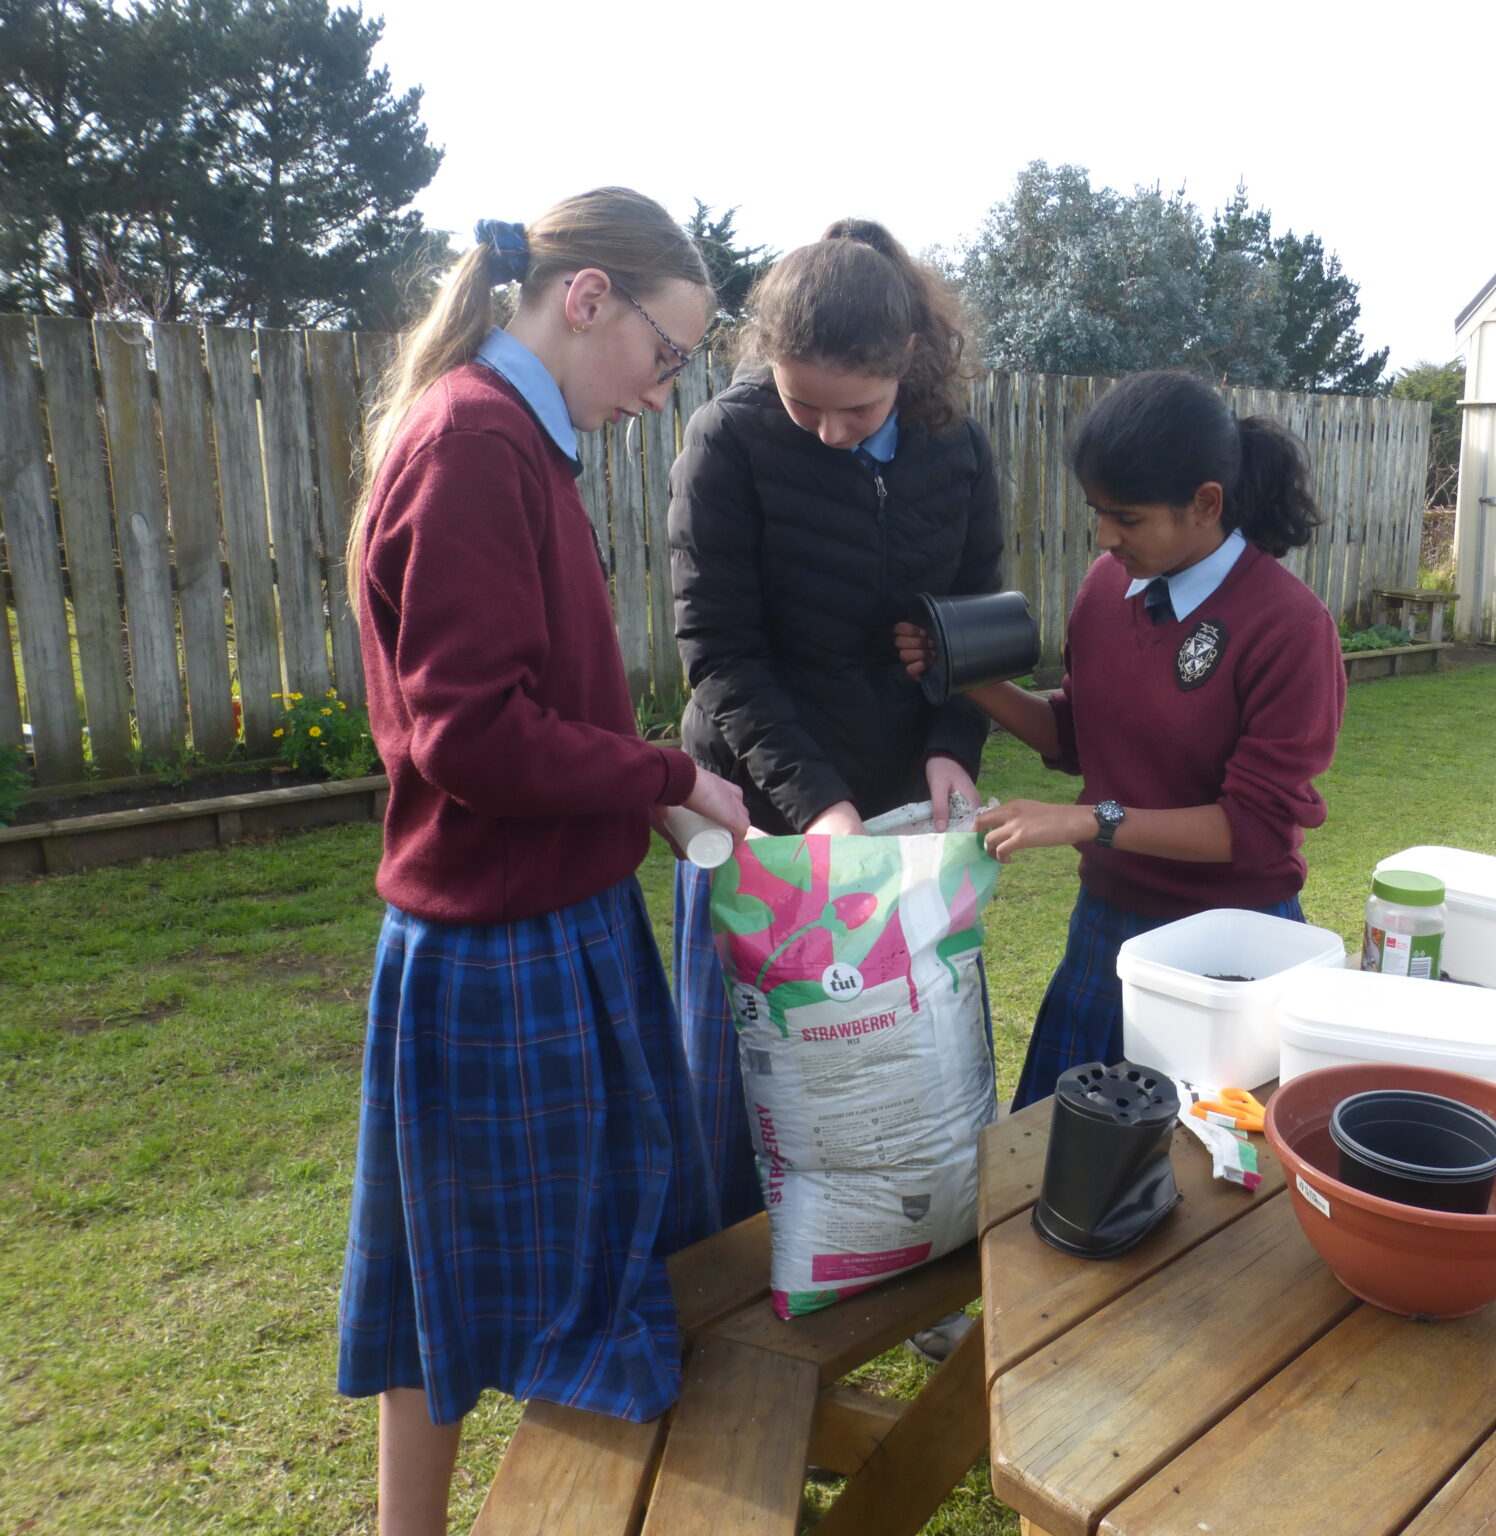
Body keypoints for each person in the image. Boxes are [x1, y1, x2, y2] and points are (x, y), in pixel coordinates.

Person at [339, 188, 749, 1536]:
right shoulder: (472, 442)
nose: (662, 392)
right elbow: (473, 737)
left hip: (548, 919)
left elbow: (532, 708)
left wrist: (651, 797)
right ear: (586, 299)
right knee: (531, 1289)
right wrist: (665, 775)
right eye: (667, 354)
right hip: (498, 949)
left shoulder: (514, 438)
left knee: (540, 1279)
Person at [666, 218, 1000, 1234]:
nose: (826, 431)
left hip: (898, 826)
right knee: (747, 1087)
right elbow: (719, 650)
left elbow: (974, 622)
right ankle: (740, 1276)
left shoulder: (957, 446)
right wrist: (817, 806)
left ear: (908, 358)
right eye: (800, 401)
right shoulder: (728, 441)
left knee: (907, 1067)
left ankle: (916, 1253)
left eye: (855, 408)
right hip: (759, 822)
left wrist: (952, 745)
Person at [897, 369, 1346, 1109]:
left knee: (1208, 1166)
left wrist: (1087, 820)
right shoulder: (1108, 587)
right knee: (1048, 1156)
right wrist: (964, 676)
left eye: (1127, 519)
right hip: (1108, 924)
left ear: (1206, 504)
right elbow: (1079, 735)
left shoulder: (1290, 626)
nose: (1105, 538)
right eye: (1098, 513)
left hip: (1229, 947)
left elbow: (1255, 830)